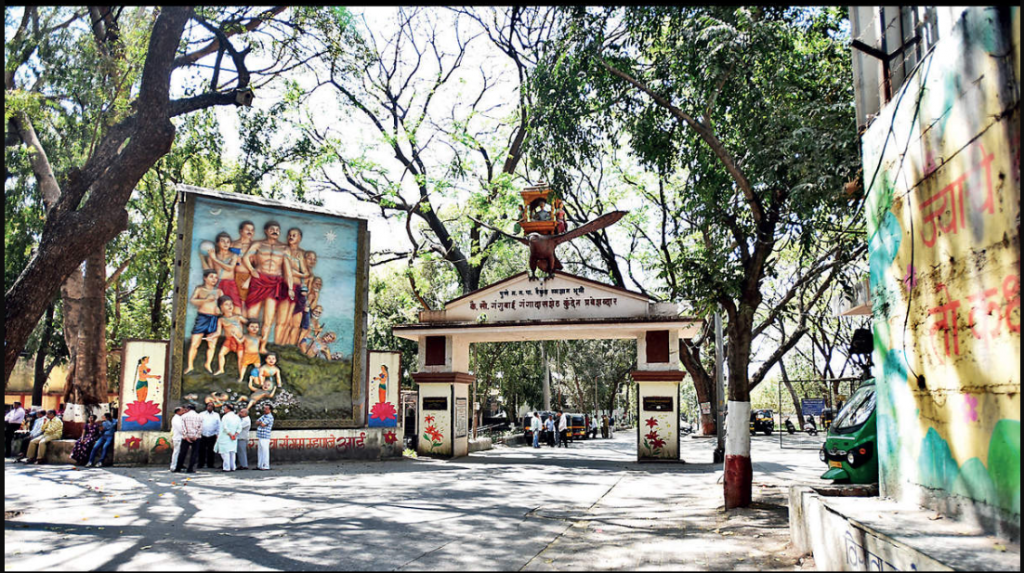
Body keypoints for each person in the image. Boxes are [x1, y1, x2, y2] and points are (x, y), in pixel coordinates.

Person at [243, 220, 289, 342]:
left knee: (269, 317)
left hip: (275, 282)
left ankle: (263, 345)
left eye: (277, 230)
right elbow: (246, 257)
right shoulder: (258, 245)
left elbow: (287, 269)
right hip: (259, 280)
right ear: (266, 231)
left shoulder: (284, 248)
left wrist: (289, 287)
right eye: (272, 229)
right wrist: (252, 270)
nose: (275, 231)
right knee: (252, 314)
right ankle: (249, 343)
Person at [185, 269, 223, 374]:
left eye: (216, 277)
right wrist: (206, 300)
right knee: (195, 343)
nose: (214, 280)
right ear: (205, 278)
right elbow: (192, 300)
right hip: (202, 318)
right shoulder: (200, 289)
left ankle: (208, 364)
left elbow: (223, 304)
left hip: (214, 319)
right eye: (211, 277)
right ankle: (190, 366)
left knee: (212, 344)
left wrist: (220, 310)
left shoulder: (219, 292)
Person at [275, 227, 308, 345]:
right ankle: (277, 345)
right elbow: (286, 271)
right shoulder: (285, 251)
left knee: (294, 322)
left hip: (298, 289)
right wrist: (296, 276)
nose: (291, 237)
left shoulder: (301, 254)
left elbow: (307, 273)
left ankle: (288, 346)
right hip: (286, 286)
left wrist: (297, 272)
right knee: (282, 320)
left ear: (300, 238)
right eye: (289, 234)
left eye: (294, 235)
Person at [213, 296, 249, 376]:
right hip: (229, 340)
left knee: (240, 358)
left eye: (231, 304)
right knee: (221, 354)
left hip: (239, 340)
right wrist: (212, 336)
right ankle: (221, 369)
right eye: (226, 304)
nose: (230, 306)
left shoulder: (237, 317)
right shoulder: (221, 320)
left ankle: (241, 375)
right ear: (221, 307)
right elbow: (218, 332)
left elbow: (249, 324)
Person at [207, 231, 242, 308]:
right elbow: (211, 271)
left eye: (228, 242)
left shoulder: (234, 255)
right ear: (217, 243)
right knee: (218, 307)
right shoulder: (212, 256)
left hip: (230, 284)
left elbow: (230, 268)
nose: (226, 244)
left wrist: (215, 259)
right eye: (223, 241)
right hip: (217, 284)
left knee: (235, 306)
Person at [174, 404, 203, 473]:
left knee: (182, 453)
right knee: (194, 453)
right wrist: (196, 435)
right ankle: (190, 468)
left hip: (186, 437)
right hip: (196, 437)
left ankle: (178, 468)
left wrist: (186, 436)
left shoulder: (184, 416)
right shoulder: (199, 417)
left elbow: (183, 427)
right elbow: (200, 428)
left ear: (188, 409)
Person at [214, 404, 242, 472]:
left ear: (228, 409)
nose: (224, 410)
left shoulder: (225, 417)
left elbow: (225, 427)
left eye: (225, 408)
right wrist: (235, 435)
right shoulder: (237, 417)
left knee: (225, 453)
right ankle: (233, 467)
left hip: (225, 437)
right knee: (232, 453)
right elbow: (239, 428)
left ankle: (226, 467)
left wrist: (230, 435)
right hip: (233, 438)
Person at [198, 402, 221, 469]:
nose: (210, 407)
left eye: (211, 406)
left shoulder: (216, 415)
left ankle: (210, 464)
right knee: (201, 450)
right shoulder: (201, 414)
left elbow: (219, 425)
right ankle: (201, 464)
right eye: (208, 406)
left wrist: (218, 434)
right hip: (203, 434)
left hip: (212, 435)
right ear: (206, 407)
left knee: (211, 450)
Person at [256, 403, 274, 470]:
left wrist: (261, 423)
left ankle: (265, 465)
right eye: (264, 408)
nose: (264, 410)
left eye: (266, 409)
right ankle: (260, 465)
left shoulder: (270, 417)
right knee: (260, 451)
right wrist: (261, 423)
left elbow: (263, 424)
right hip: (260, 436)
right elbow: (257, 422)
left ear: (270, 410)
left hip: (265, 436)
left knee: (265, 451)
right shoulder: (264, 416)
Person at [169, 406, 184, 471]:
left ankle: (177, 465)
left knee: (178, 452)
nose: (183, 412)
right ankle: (173, 466)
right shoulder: (176, 419)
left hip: (179, 437)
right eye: (182, 410)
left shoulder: (179, 418)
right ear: (178, 411)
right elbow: (180, 429)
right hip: (178, 437)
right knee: (176, 452)